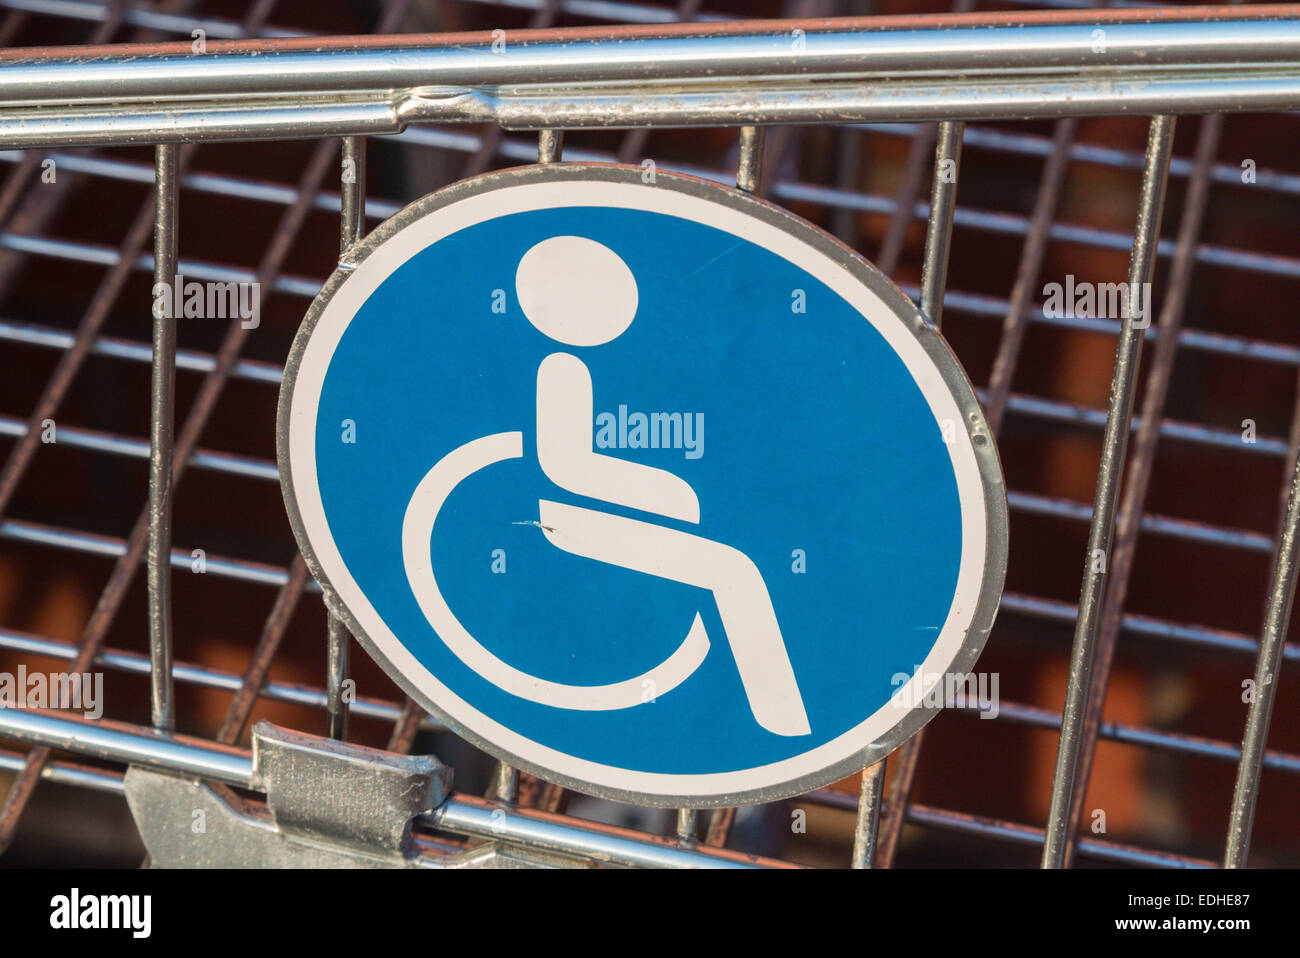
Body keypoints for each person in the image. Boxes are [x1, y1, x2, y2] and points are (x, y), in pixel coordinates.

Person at [518, 235, 810, 736]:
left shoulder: (596, 361)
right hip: (558, 516)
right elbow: (565, 466)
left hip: (589, 504)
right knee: (733, 569)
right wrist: (668, 493)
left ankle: (785, 717)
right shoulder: (561, 366)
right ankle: (782, 718)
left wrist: (671, 491)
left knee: (732, 567)